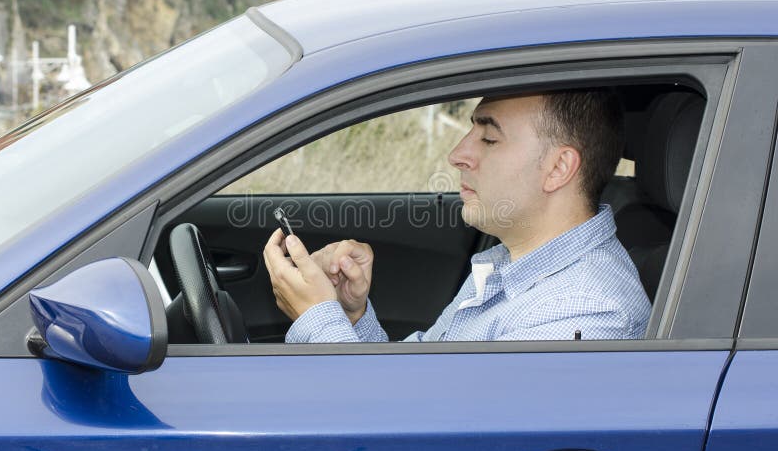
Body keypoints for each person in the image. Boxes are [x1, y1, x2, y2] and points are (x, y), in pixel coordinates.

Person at [262, 90, 651, 343]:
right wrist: (349, 315)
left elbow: (406, 442)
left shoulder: (578, 310)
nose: (457, 154)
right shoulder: (513, 264)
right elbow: (419, 396)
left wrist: (316, 317)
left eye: (489, 138)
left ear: (558, 168)